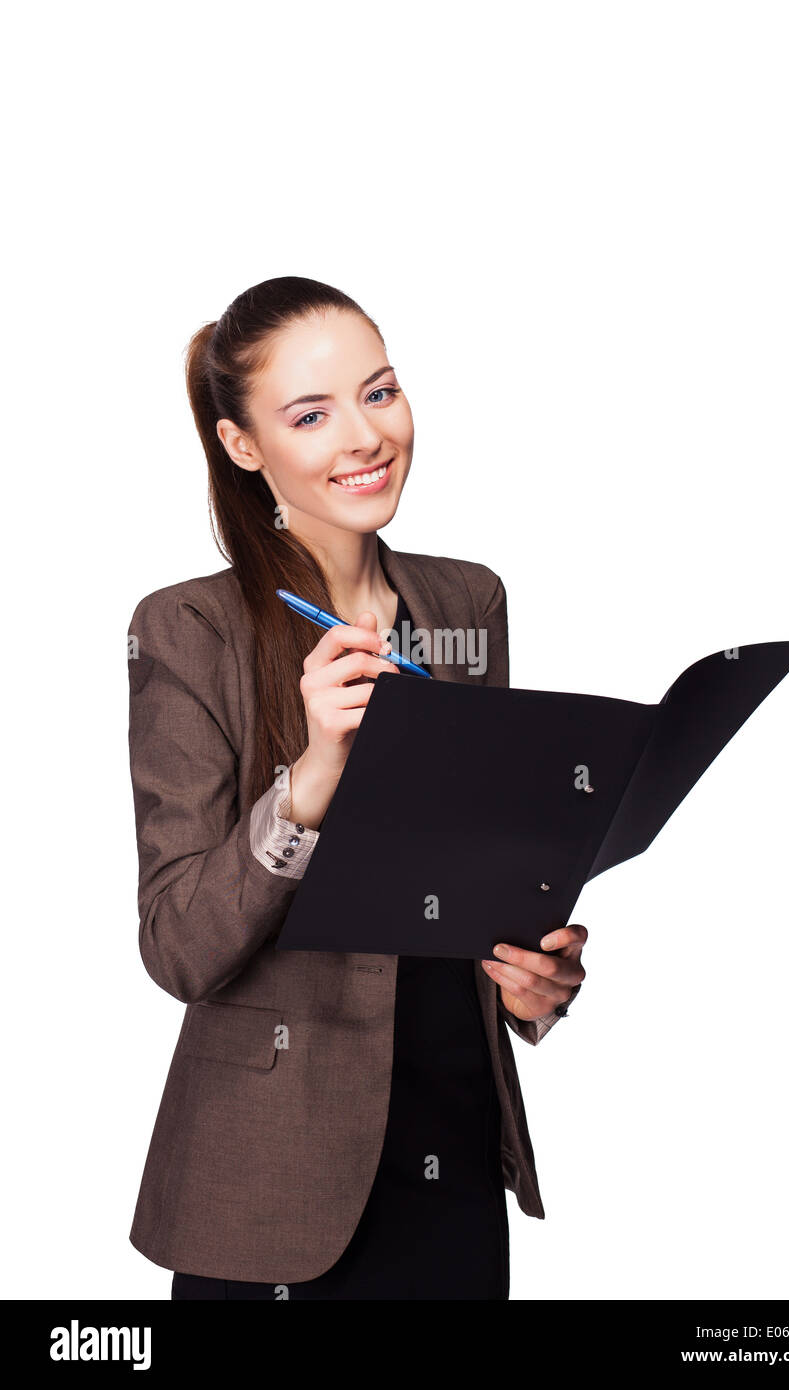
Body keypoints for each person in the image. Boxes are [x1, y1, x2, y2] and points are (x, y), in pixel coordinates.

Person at [126, 275, 588, 1301]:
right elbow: (176, 945)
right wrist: (310, 780)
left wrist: (529, 980)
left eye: (378, 393)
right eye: (309, 413)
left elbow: (474, 876)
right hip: (267, 1186)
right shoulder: (187, 630)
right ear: (243, 446)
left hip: (453, 1145)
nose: (362, 436)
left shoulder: (467, 601)